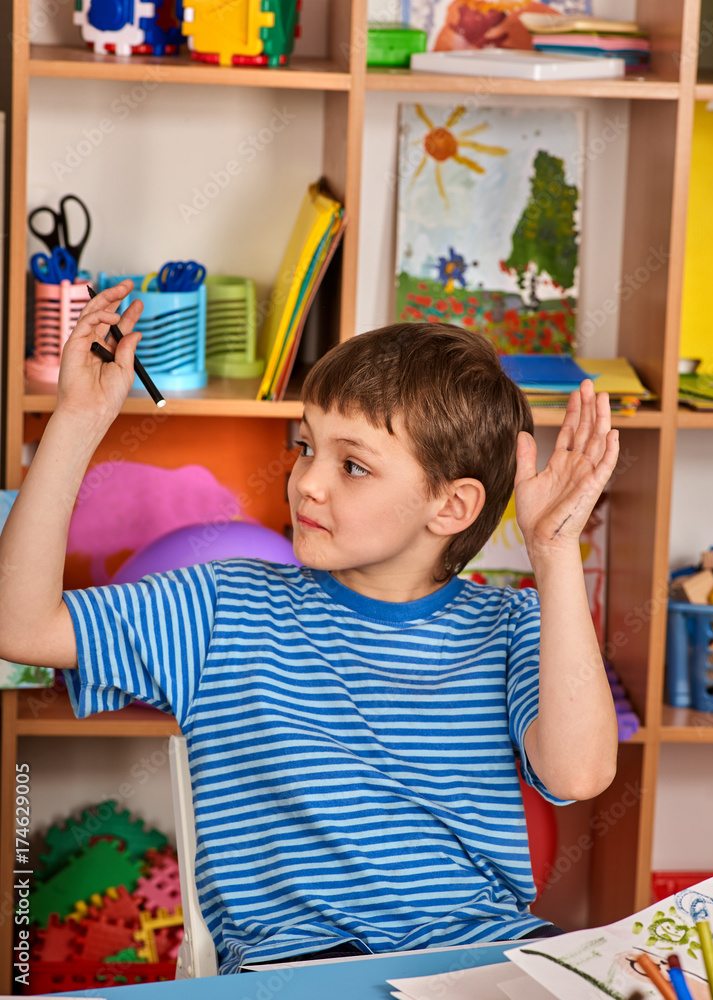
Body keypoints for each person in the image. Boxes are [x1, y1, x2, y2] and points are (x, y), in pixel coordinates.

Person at [0, 280, 619, 973]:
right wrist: (78, 421)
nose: (307, 483)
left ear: (451, 508)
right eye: (304, 447)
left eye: (351, 465)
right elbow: (18, 624)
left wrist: (555, 552)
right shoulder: (222, 606)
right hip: (300, 967)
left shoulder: (511, 624)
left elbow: (581, 771)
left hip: (484, 958)